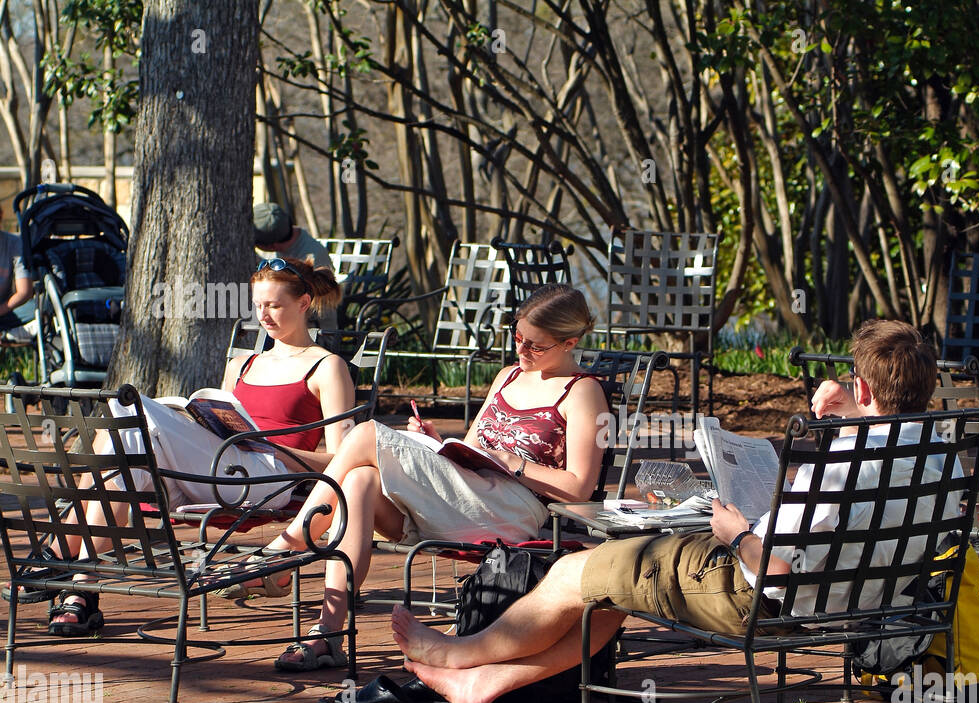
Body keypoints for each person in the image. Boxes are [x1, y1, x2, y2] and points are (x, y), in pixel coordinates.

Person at [376, 320, 958, 703]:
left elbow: (777, 569)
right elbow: (886, 448)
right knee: (612, 582)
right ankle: (487, 682)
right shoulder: (940, 456)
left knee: (574, 573)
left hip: (759, 596)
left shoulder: (841, 464)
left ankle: (461, 652)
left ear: (862, 382)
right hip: (864, 604)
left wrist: (738, 534)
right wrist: (854, 411)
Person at [234, 283, 609, 673]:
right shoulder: (507, 377)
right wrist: (435, 443)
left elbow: (579, 486)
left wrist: (513, 462)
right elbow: (471, 447)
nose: (522, 351)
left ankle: (287, 549)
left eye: (536, 345)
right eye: (517, 338)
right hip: (464, 496)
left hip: (514, 510)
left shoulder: (583, 392)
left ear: (570, 342)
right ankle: (327, 633)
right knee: (360, 480)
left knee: (365, 434)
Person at [42, 256, 354, 636]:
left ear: (303, 303)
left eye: (274, 305)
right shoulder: (244, 363)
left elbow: (342, 460)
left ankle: (61, 557)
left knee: (134, 407)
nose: (264, 316)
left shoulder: (326, 366)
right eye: (258, 306)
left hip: (270, 479)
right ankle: (83, 588)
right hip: (220, 468)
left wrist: (275, 448)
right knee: (128, 455)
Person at [253, 202, 336, 329]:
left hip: (312, 332)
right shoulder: (276, 242)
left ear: (272, 246)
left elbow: (313, 309)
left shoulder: (313, 257)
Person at [0, 208, 36, 343]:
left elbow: (25, 292)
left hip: (7, 309)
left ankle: (7, 333)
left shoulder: (14, 243)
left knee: (38, 308)